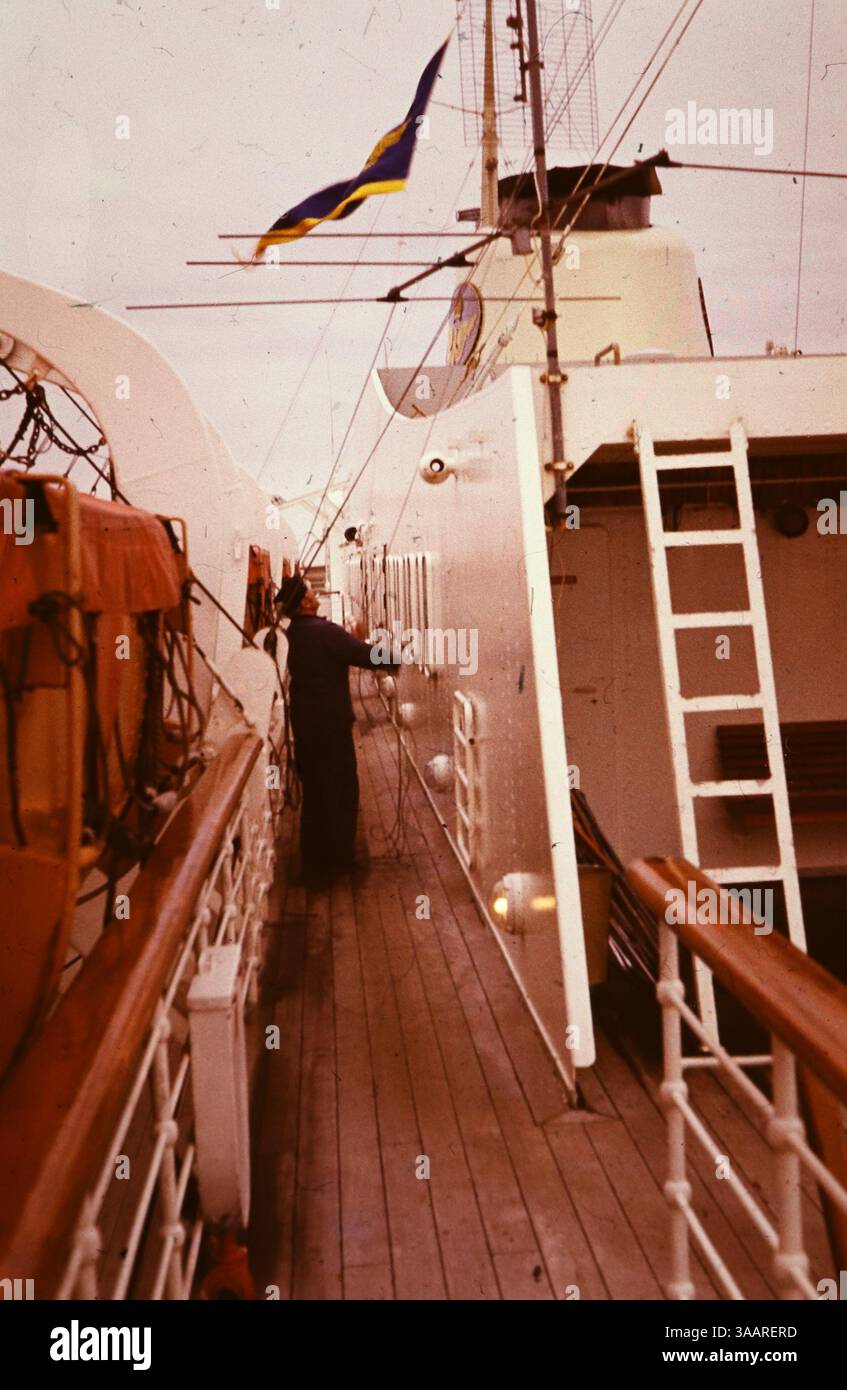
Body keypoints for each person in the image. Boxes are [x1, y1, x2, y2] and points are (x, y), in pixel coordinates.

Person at [276, 574, 394, 886]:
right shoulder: (324, 631)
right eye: (311, 592)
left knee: (315, 794)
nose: (316, 594)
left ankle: (315, 867)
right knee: (342, 792)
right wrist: (398, 656)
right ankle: (340, 861)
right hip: (331, 728)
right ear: (304, 602)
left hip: (306, 726)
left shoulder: (293, 635)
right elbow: (363, 654)